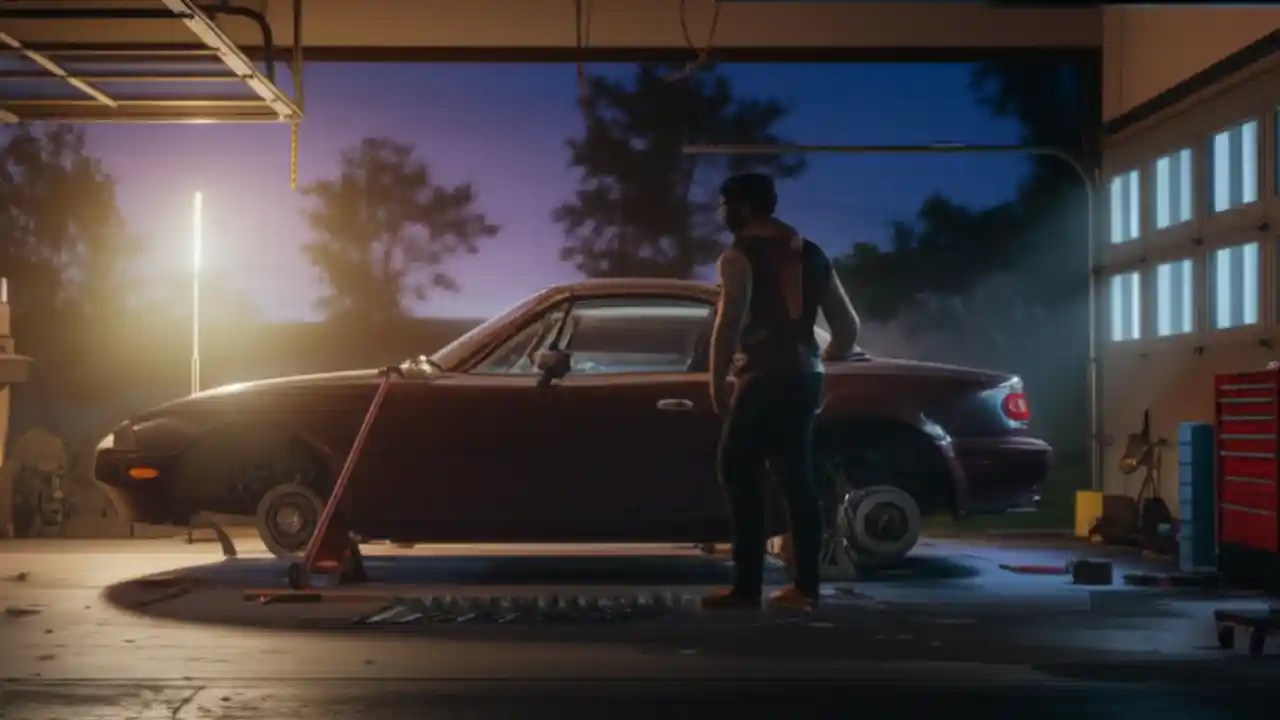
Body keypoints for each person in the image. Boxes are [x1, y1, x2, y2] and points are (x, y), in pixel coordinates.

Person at [702, 172, 861, 611]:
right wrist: (819, 363)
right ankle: (805, 589)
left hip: (762, 377)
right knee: (797, 480)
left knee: (737, 472)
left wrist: (717, 381)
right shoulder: (812, 253)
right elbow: (847, 328)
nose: (722, 213)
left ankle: (746, 587)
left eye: (725, 204)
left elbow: (729, 321)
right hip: (806, 377)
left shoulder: (738, 256)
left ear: (744, 207)